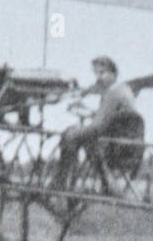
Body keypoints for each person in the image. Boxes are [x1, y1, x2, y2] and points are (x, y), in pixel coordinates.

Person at [51, 55, 144, 191]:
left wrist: (73, 131)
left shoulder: (113, 93)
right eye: (96, 73)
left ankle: (61, 181)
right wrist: (87, 112)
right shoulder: (122, 90)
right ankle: (106, 183)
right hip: (125, 145)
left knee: (70, 135)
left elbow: (97, 126)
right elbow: (111, 118)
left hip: (117, 148)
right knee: (83, 138)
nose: (98, 78)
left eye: (102, 73)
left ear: (113, 73)